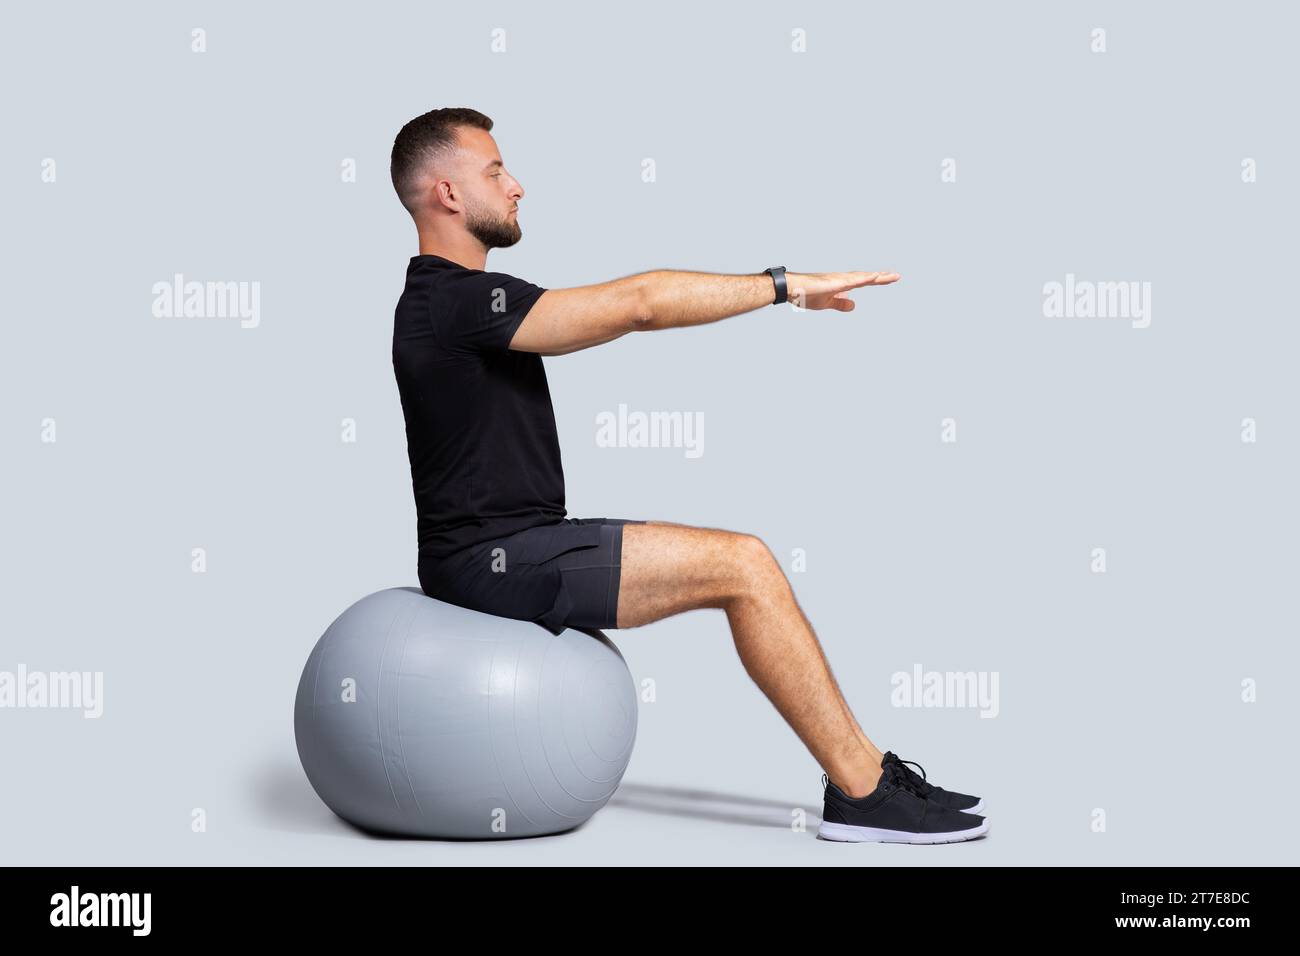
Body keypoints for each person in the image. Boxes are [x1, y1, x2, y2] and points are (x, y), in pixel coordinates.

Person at [389, 107, 987, 844]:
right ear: (447, 194)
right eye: (494, 171)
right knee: (746, 566)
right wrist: (784, 285)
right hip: (487, 560)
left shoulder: (451, 302)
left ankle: (867, 779)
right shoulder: (453, 301)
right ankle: (865, 792)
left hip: (517, 541)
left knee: (744, 564)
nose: (517, 185)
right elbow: (640, 306)